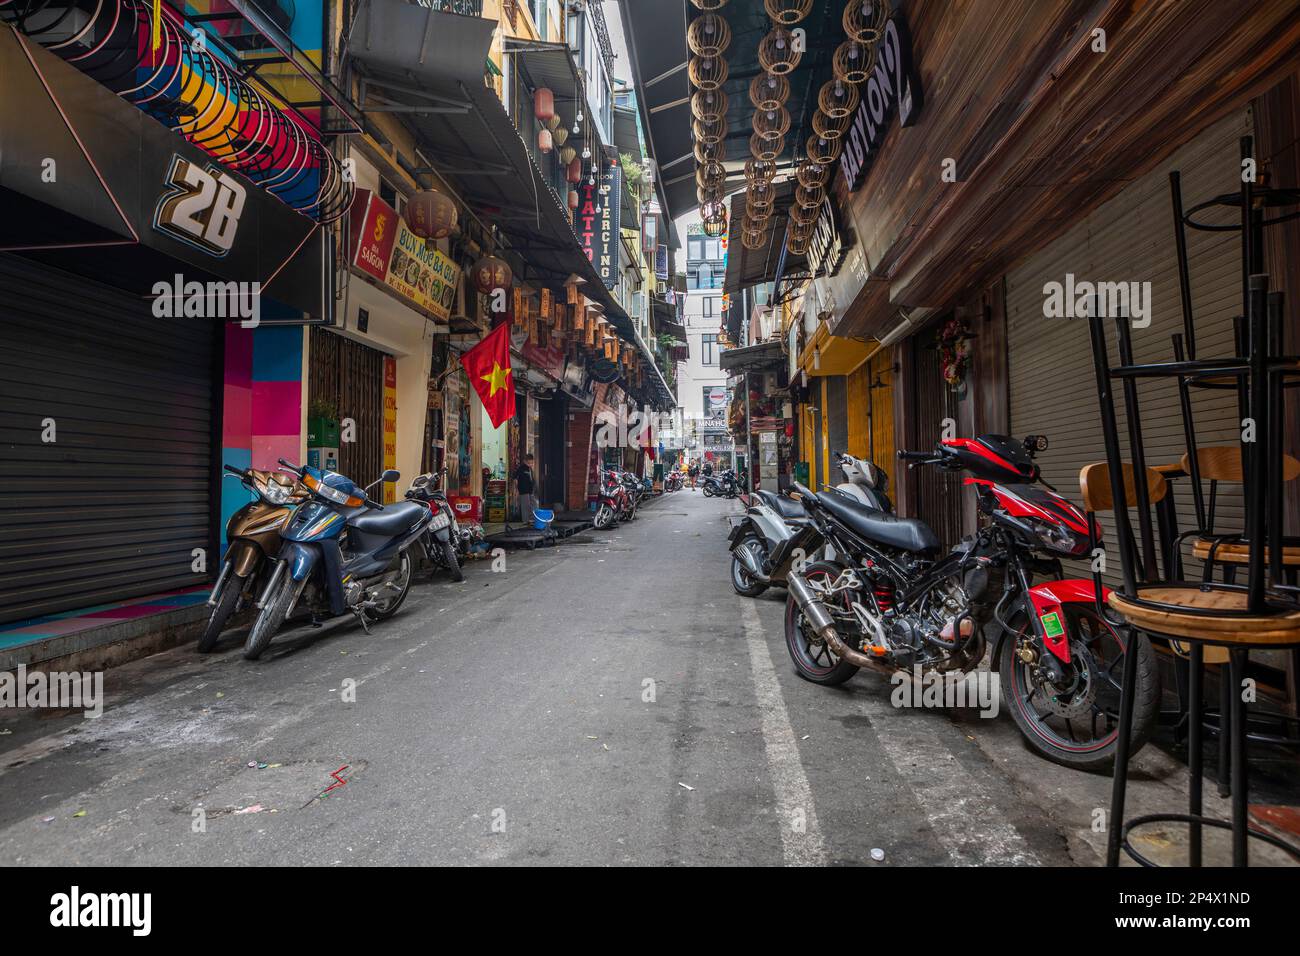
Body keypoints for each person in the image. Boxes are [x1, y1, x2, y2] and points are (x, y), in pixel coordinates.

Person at [514, 453, 536, 525]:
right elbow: (515, 476)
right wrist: (516, 483)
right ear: (525, 461)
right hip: (523, 489)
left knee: (533, 504)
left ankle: (532, 518)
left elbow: (531, 480)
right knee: (525, 505)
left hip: (530, 490)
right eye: (529, 463)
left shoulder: (530, 469)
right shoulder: (521, 468)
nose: (530, 464)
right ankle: (525, 520)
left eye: (532, 463)